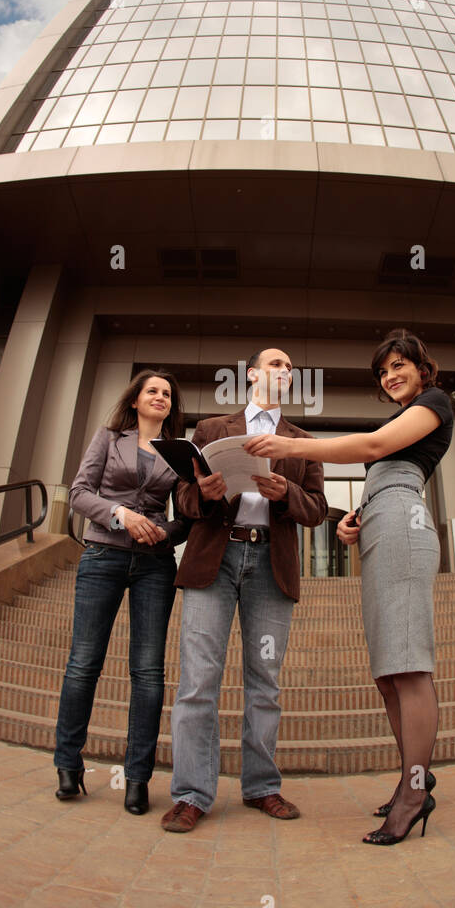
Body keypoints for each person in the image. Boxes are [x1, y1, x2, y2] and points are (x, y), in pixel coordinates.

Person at [245, 328, 453, 846]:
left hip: (404, 530)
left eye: (401, 364)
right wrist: (354, 519)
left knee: (408, 664)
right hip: (382, 530)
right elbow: (388, 470)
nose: (392, 375)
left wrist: (292, 444)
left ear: (423, 369)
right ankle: (413, 776)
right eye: (384, 371)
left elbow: (378, 447)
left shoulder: (434, 403)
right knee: (388, 673)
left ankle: (413, 793)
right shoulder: (405, 416)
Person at [160, 347, 328, 833]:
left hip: (270, 565)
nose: (285, 371)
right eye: (275, 364)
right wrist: (205, 495)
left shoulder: (301, 441)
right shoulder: (213, 429)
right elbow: (184, 499)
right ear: (252, 374)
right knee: (198, 680)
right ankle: (192, 794)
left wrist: (287, 495)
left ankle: (261, 787)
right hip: (216, 557)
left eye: (291, 367)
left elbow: (317, 509)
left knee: (265, 682)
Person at [53, 369, 190, 815]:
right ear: (136, 399)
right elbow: (79, 493)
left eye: (167, 394)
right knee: (83, 663)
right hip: (102, 557)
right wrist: (120, 515)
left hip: (154, 565)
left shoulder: (178, 452)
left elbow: (186, 516)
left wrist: (162, 532)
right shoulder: (109, 438)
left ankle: (137, 780)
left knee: (148, 672)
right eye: (153, 390)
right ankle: (68, 766)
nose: (161, 397)